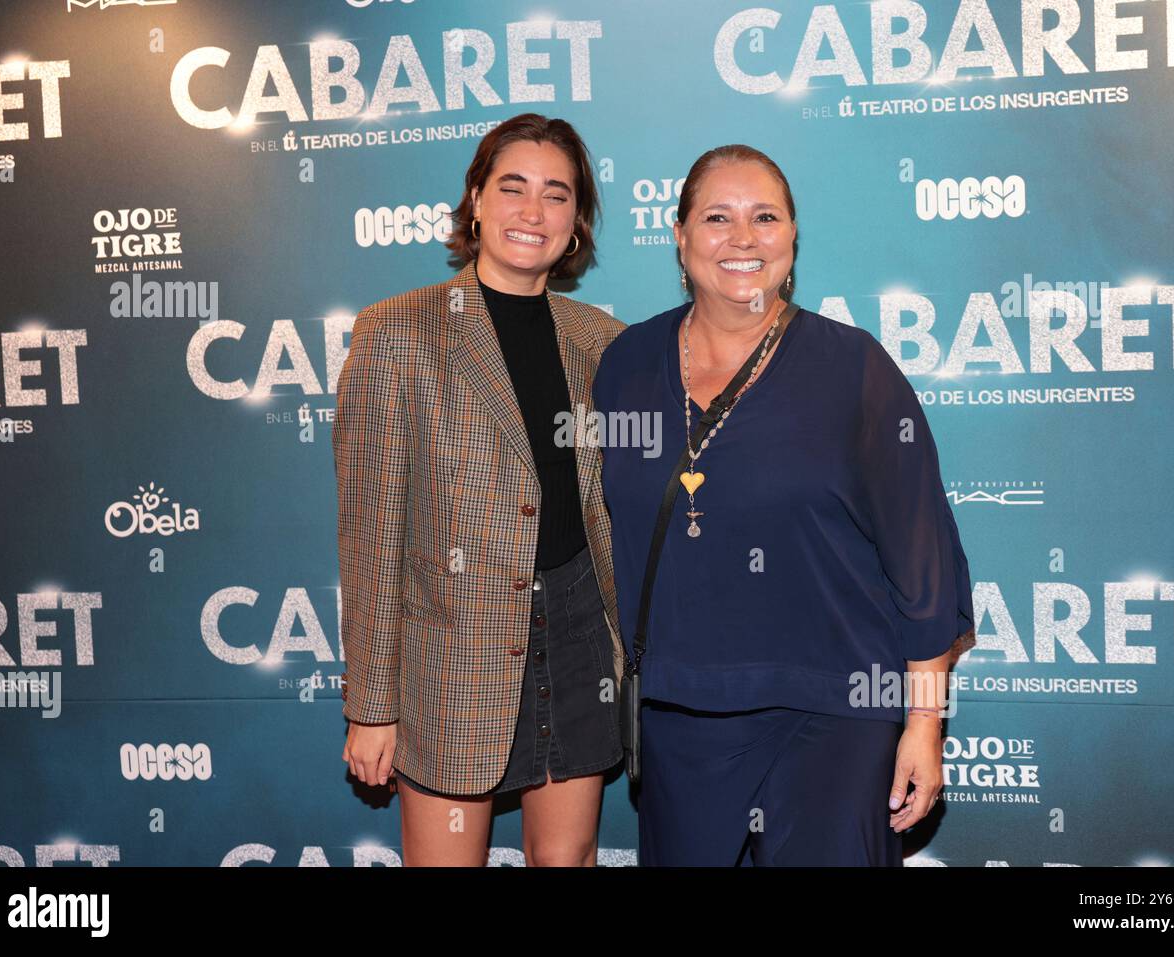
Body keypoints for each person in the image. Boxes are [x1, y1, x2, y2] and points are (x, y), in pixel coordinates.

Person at [592, 144, 976, 866]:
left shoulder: (855, 368)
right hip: (680, 713)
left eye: (765, 217)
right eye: (717, 217)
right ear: (678, 237)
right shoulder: (626, 367)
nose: (743, 238)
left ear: (793, 237)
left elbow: (922, 558)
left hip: (834, 706)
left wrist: (924, 722)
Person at [334, 113, 626, 866]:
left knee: (568, 857)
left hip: (576, 628)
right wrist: (372, 708)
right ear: (475, 199)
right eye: (513, 187)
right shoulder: (397, 333)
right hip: (450, 645)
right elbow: (372, 536)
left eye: (557, 195)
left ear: (577, 220)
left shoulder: (600, 338)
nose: (534, 211)